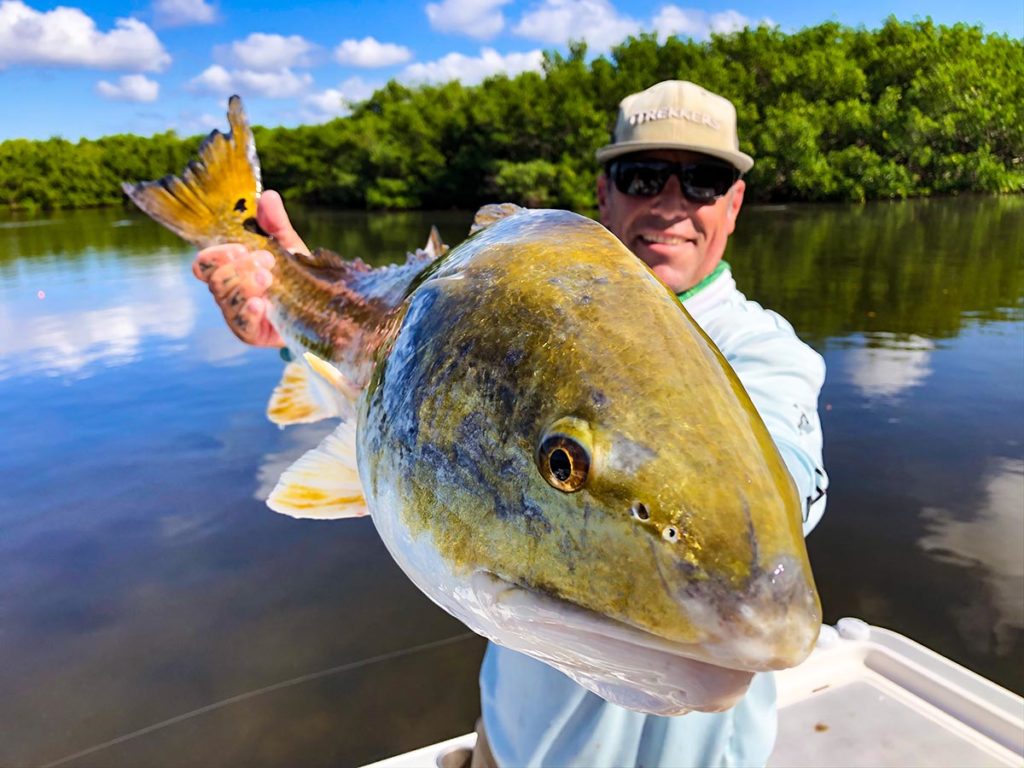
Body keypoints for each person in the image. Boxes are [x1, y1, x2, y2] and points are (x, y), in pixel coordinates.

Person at [194, 79, 828, 768]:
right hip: (514, 746)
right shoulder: (500, 311)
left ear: (734, 203)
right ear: (604, 191)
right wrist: (286, 310)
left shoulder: (766, 352)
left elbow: (776, 494)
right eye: (644, 175)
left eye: (702, 181)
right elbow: (389, 355)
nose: (671, 204)